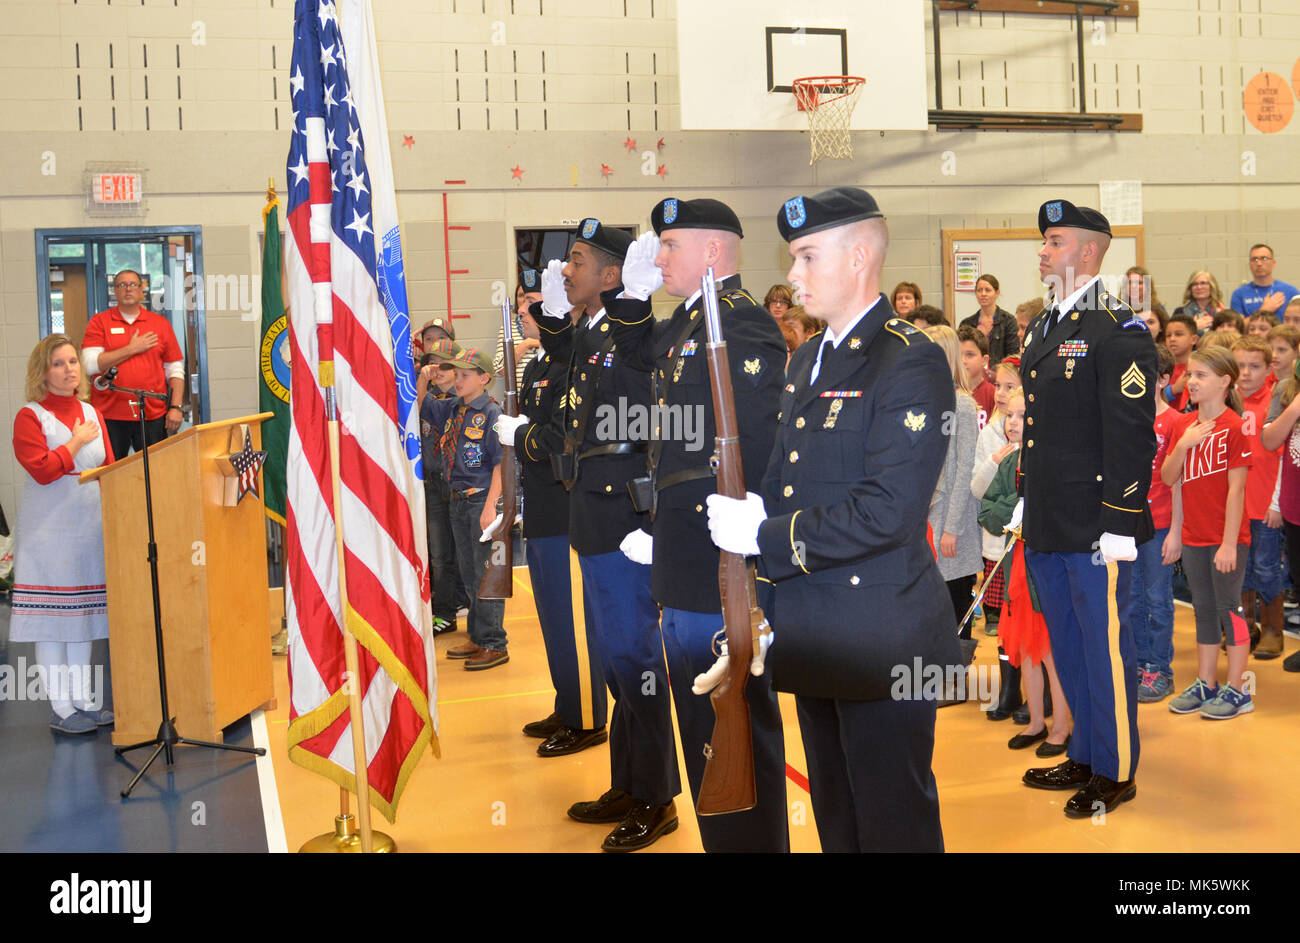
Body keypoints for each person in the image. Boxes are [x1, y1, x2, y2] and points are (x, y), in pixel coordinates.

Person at [708, 187, 958, 852]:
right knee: (838, 819)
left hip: (880, 637)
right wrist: (757, 525)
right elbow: (793, 478)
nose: (792, 275)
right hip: (814, 629)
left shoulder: (909, 358)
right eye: (794, 258)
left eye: (806, 256)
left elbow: (889, 510)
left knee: (892, 822)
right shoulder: (807, 359)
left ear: (857, 257)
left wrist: (763, 537)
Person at [605, 197, 790, 852]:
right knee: (703, 727)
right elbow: (633, 356)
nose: (659, 257)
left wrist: (751, 550)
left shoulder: (741, 326)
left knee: (735, 723)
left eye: (671, 245)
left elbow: (757, 448)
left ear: (713, 251)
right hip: (685, 556)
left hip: (721, 564)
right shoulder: (688, 324)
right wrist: (629, 296)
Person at [534, 219, 680, 853]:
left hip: (622, 518)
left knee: (640, 663)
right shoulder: (594, 332)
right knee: (621, 668)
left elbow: (645, 401)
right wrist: (550, 314)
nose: (566, 270)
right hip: (592, 515)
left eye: (577, 260)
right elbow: (565, 365)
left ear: (612, 275)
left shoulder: (623, 335)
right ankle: (627, 782)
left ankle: (657, 798)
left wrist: (630, 306)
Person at [1015, 199, 1155, 818]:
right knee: (1068, 643)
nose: (1043, 251)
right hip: (1050, 519)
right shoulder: (1045, 327)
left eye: (1055, 240)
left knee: (1104, 649)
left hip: (1099, 527)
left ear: (1090, 251)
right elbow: (1041, 431)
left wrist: (1122, 523)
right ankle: (1087, 751)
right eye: (1044, 241)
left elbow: (1131, 434)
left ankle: (1117, 768)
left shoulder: (1117, 330)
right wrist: (1026, 500)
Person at [495, 293, 608, 755]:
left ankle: (586, 717)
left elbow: (567, 437)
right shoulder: (542, 364)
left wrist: (521, 433)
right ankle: (568, 701)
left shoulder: (570, 364)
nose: (525, 316)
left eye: (532, 309)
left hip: (564, 509)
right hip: (541, 507)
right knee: (553, 619)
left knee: (573, 620)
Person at [11, 335, 116, 734]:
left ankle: (86, 700)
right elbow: (42, 468)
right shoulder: (30, 416)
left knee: (83, 617)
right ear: (43, 371)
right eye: (59, 363)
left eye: (73, 361)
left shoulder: (92, 411)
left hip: (87, 529)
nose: (70, 369)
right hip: (49, 533)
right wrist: (75, 441)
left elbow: (108, 467)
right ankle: (61, 708)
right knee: (54, 621)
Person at [979, 388, 1072, 757]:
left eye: (1022, 415)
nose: (1014, 422)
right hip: (1015, 567)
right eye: (1010, 415)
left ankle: (1062, 725)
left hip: (1045, 567)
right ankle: (1036, 721)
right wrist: (1014, 506)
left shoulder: (1054, 462)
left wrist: (1030, 509)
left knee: (1050, 650)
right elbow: (987, 513)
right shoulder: (1009, 463)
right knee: (1025, 649)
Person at [1161, 348, 1254, 718]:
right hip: (1194, 536)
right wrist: (1177, 532)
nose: (1192, 381)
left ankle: (1238, 689)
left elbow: (1237, 490)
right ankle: (1206, 681)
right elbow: (1172, 480)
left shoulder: (1234, 426)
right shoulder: (1184, 426)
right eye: (1192, 375)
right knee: (1202, 609)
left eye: (1201, 375)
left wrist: (1229, 542)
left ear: (1224, 382)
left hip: (1226, 539)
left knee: (1228, 609)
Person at [422, 347, 508, 670]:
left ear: (484, 378)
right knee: (470, 574)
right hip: (457, 501)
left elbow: (500, 465)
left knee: (487, 574)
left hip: (480, 500)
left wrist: (490, 507)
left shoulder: (492, 415)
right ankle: (477, 635)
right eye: (455, 375)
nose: (457, 381)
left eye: (464, 375)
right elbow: (422, 404)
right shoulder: (454, 410)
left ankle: (494, 643)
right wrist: (423, 377)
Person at [81, 269, 185, 459]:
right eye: (121, 285)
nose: (127, 289)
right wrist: (131, 348)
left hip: (152, 414)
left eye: (132, 284)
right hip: (109, 416)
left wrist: (176, 407)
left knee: (157, 473)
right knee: (113, 475)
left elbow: (175, 370)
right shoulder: (99, 322)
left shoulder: (160, 324)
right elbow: (89, 365)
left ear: (141, 289)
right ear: (115, 291)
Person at [926, 325, 983, 643]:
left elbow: (965, 470)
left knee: (954, 599)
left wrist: (951, 528)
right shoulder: (924, 401)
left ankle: (954, 676)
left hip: (951, 519)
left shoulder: (961, 404)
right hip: (928, 518)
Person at [1133, 345, 1180, 702]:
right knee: (1133, 599)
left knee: (1157, 600)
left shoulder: (1176, 422)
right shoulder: (1127, 416)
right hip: (1129, 524)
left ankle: (1161, 668)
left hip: (1161, 526)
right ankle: (1140, 663)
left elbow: (1178, 483)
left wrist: (1176, 532)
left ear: (1164, 379)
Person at [1234, 336, 1285, 658]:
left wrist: (1276, 503)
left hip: (1266, 508)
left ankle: (1272, 630)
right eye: (1240, 366)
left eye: (1255, 366)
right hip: (1234, 508)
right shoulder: (1226, 403)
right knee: (1240, 571)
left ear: (1269, 369)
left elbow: (1281, 460)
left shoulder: (1274, 404)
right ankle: (1246, 628)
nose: (1246, 373)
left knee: (1267, 569)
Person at [416, 338, 465, 635]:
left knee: (467, 551)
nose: (439, 370)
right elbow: (419, 403)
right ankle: (445, 612)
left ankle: (468, 604)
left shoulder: (463, 398)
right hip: (434, 485)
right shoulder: (431, 399)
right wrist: (422, 378)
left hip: (461, 485)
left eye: (447, 365)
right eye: (434, 363)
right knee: (439, 554)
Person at [494, 271, 543, 388]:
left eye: (530, 300)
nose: (523, 304)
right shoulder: (508, 328)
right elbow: (500, 369)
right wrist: (526, 344)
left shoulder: (558, 329)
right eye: (521, 296)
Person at [960, 274, 1020, 364]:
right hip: (974, 374)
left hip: (1000, 375)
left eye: (988, 290)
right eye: (979, 290)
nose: (983, 294)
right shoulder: (967, 324)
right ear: (975, 293)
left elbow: (1012, 356)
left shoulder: (1009, 321)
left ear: (997, 293)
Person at [1230, 244, 1298, 318]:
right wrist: (1265, 310)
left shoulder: (1291, 292)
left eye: (1264, 258)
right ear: (1250, 264)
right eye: (1254, 259)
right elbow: (1238, 328)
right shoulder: (1239, 294)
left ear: (1273, 263)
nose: (1259, 263)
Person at [957, 325, 996, 427]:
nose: (963, 361)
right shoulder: (949, 394)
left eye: (970, 355)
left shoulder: (994, 395)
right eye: (958, 355)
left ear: (984, 360)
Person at [1164, 313, 1198, 411]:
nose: (1172, 339)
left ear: (1194, 339)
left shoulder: (1201, 368)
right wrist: (1173, 389)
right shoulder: (1161, 367)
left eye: (1178, 334)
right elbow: (1152, 398)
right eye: (1168, 335)